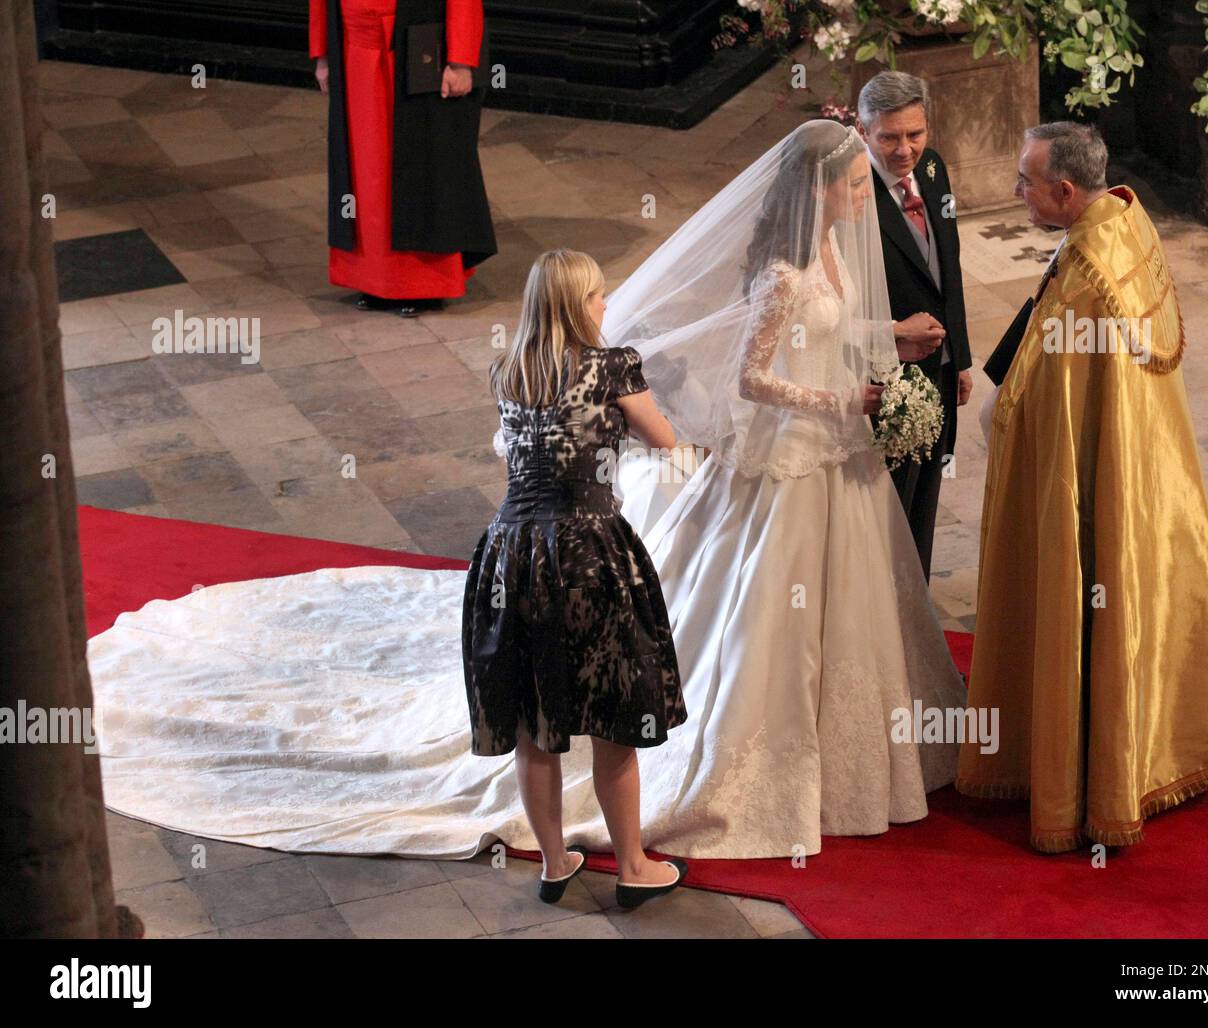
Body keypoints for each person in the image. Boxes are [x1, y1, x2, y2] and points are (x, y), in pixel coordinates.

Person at [86, 122, 967, 868]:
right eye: (856, 183)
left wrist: (888, 336)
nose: (868, 195)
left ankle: (830, 768)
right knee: (733, 630)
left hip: (798, 464)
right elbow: (752, 375)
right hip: (773, 459)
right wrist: (850, 399)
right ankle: (683, 816)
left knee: (846, 608)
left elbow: (826, 327)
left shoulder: (824, 259)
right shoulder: (773, 276)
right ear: (819, 190)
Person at [954, 122, 1208, 852]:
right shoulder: (1125, 220)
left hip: (1092, 482)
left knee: (1085, 595)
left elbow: (1054, 401)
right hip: (1151, 471)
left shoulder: (1089, 278)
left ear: (1065, 190)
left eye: (1025, 182)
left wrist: (1005, 421)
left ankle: (1082, 781)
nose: (1016, 192)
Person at [461, 250, 688, 906]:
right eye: (596, 297)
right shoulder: (610, 366)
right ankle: (633, 869)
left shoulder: (508, 371)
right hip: (588, 553)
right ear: (573, 305)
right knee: (616, 718)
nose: (605, 306)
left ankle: (556, 862)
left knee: (535, 720)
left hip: (510, 552)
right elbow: (665, 441)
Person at [310, 0, 496, 317]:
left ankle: (421, 284)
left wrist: (461, 60)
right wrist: (324, 53)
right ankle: (372, 279)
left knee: (420, 168)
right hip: (355, 49)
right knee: (365, 174)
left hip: (413, 48)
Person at [857, 71, 972, 580]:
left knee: (924, 507)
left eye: (915, 134)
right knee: (887, 512)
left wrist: (959, 358)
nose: (906, 150)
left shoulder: (933, 169)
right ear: (862, 132)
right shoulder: (849, 193)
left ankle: (915, 613)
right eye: (890, 137)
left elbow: (949, 264)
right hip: (885, 377)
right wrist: (888, 339)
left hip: (939, 370)